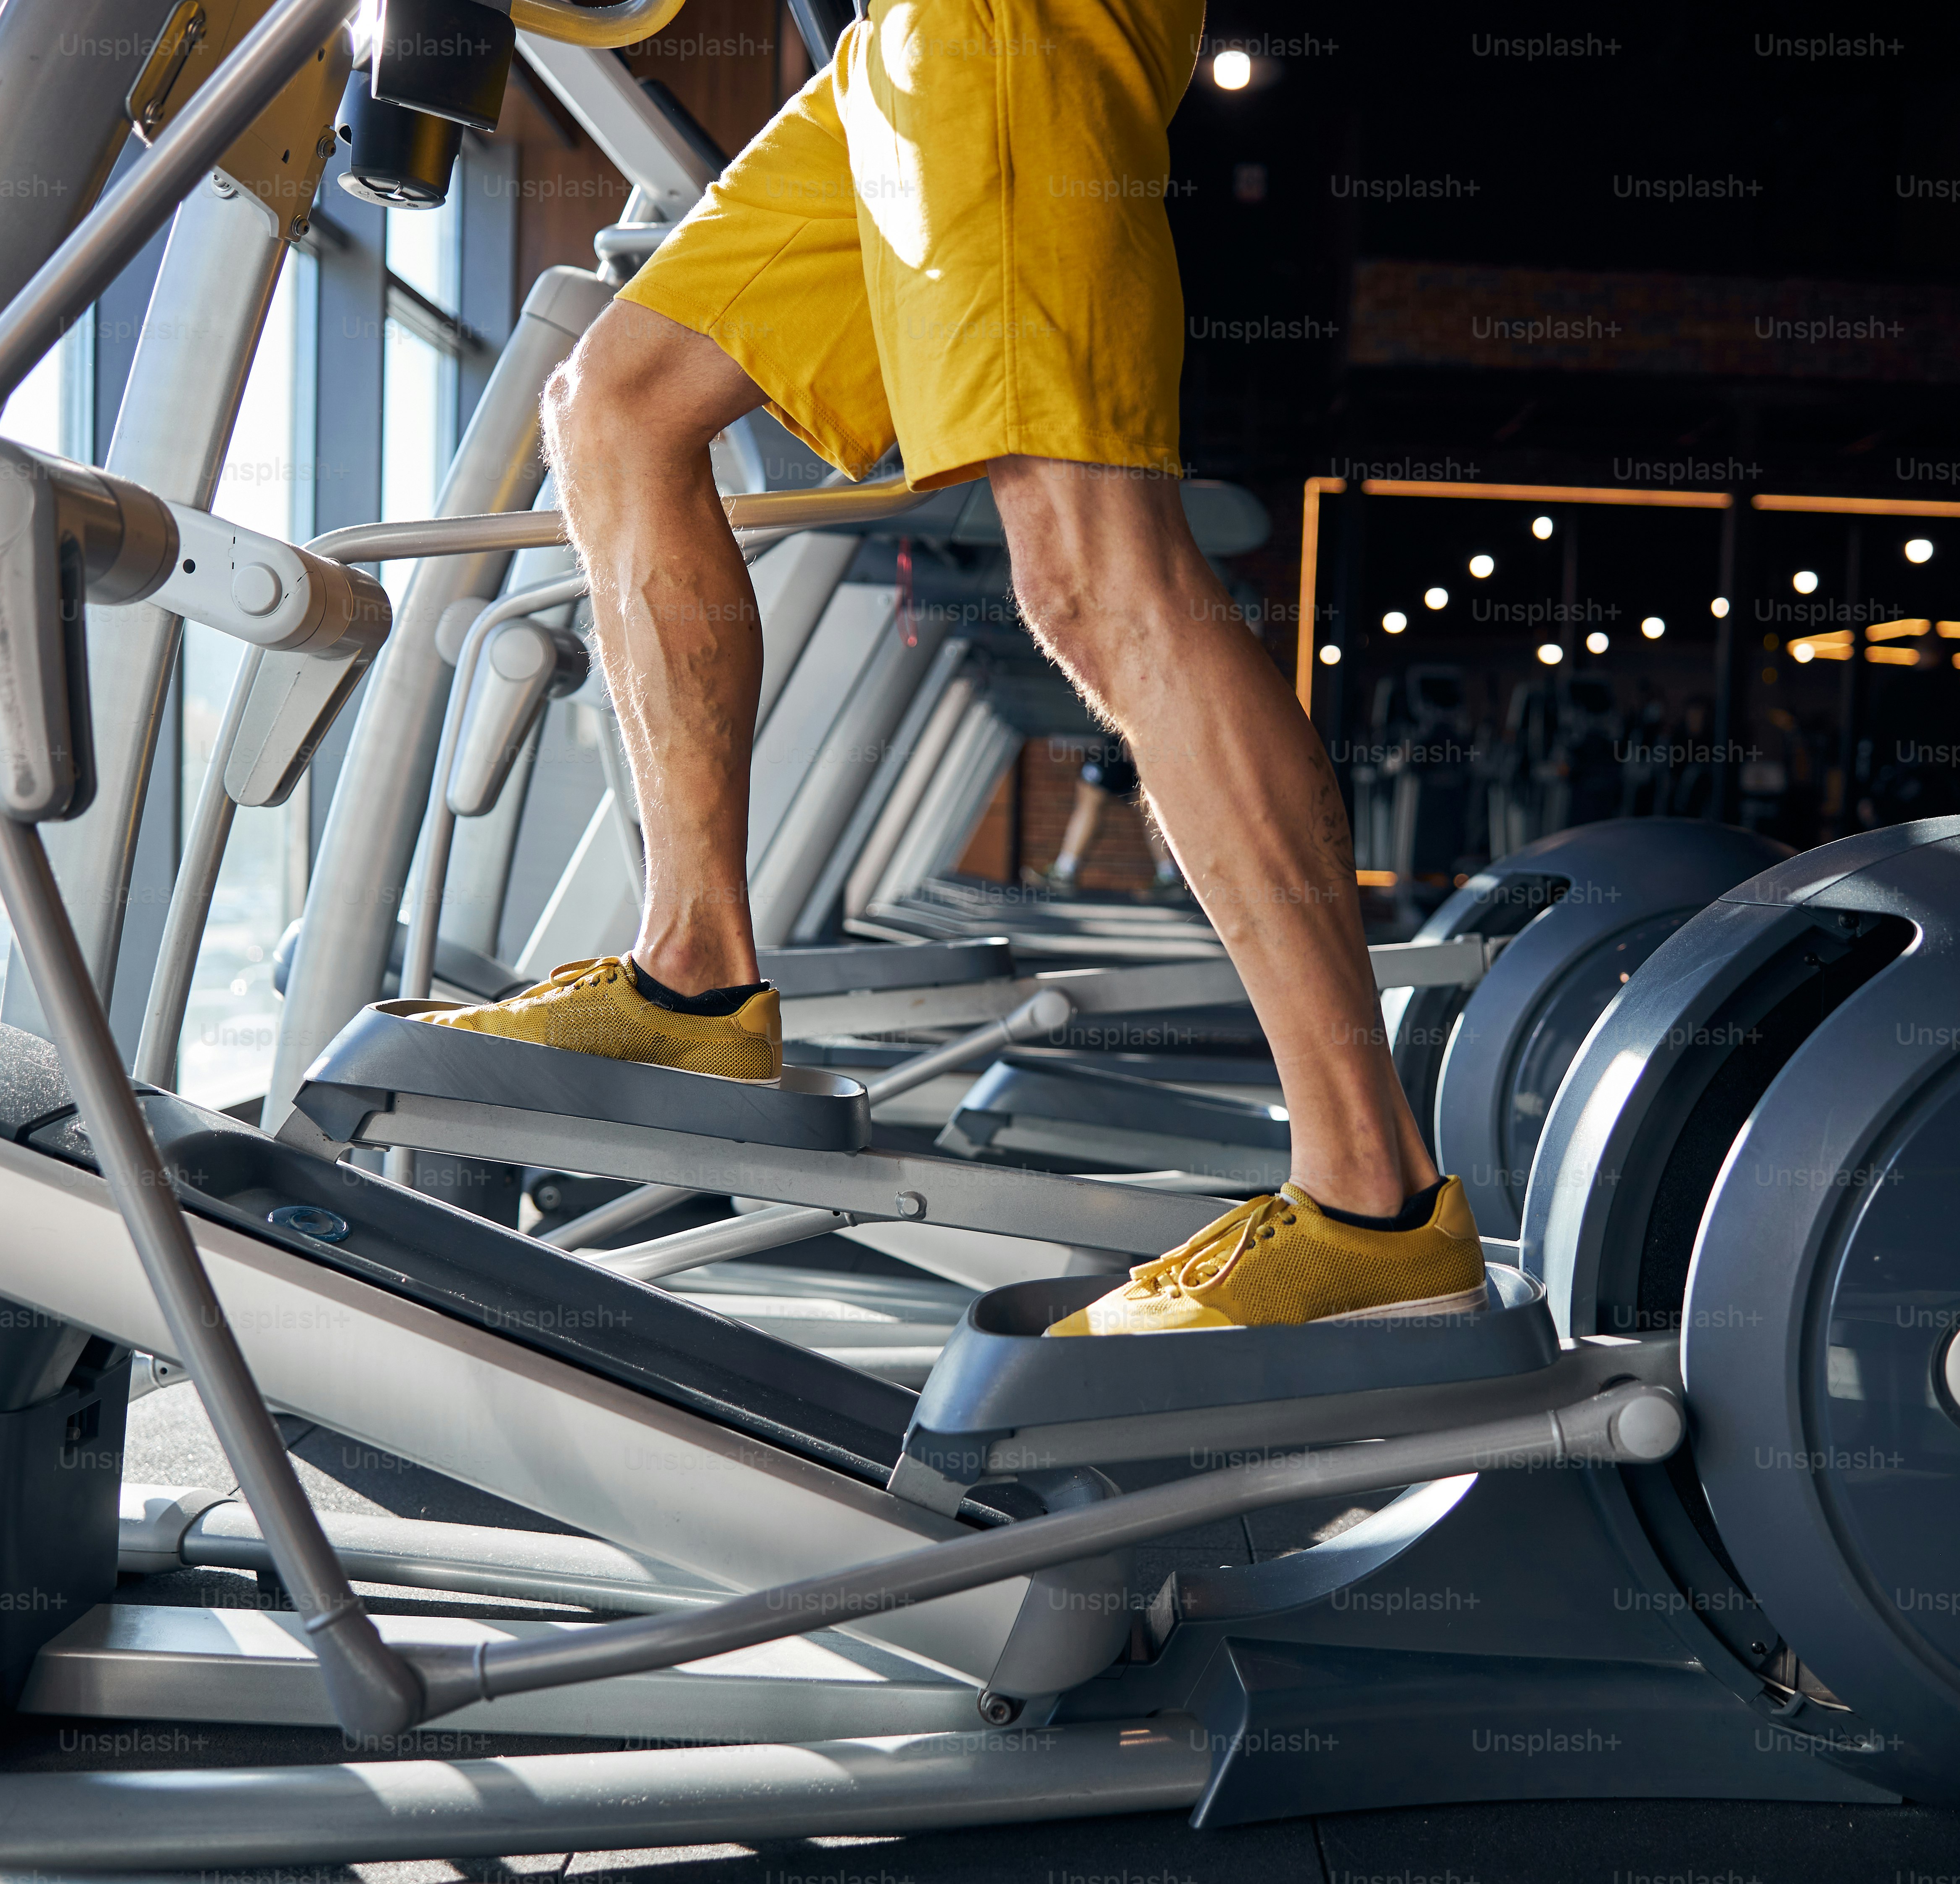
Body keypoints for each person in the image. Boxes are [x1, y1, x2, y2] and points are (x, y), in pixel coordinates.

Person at [421, 0, 1479, 1334]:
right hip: (893, 47)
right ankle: (691, 975)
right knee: (615, 406)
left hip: (1000, 22)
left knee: (1099, 577)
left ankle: (1368, 1195)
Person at [1029, 742, 1186, 899]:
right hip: (1137, 744)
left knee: (1091, 791)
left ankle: (1064, 871)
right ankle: (1169, 874)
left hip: (1126, 742)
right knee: (1146, 803)